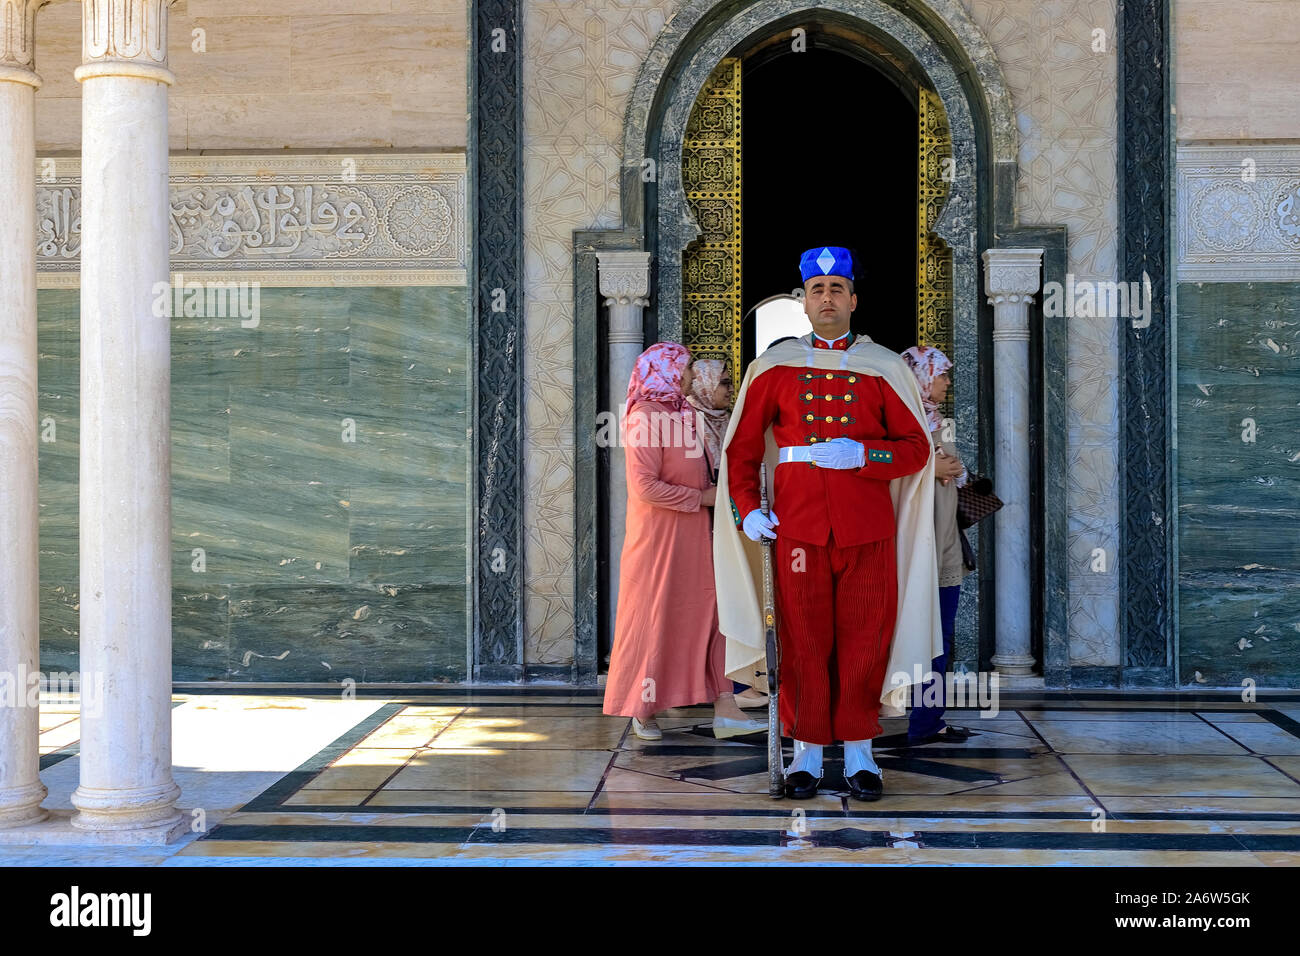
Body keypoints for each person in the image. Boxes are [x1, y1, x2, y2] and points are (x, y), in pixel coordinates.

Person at [713, 246, 942, 801]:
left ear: (854, 299)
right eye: (817, 290)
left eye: (837, 288)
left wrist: (863, 456)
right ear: (804, 302)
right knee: (803, 644)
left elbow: (916, 450)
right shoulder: (773, 367)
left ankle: (862, 755)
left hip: (867, 530)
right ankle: (807, 756)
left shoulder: (884, 367)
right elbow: (741, 451)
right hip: (797, 530)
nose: (828, 298)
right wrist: (748, 511)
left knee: (865, 642)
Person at [603, 343, 766, 741]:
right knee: (653, 617)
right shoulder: (644, 416)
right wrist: (701, 498)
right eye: (686, 369)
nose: (691, 377)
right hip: (659, 539)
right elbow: (645, 488)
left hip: (696, 533)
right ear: (667, 372)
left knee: (710, 614)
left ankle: (726, 707)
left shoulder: (682, 413)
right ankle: (643, 708)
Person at [901, 346, 975, 745]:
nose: (947, 382)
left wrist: (948, 469)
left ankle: (928, 720)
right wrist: (933, 466)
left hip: (944, 547)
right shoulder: (898, 421)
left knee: (940, 636)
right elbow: (885, 471)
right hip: (912, 548)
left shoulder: (938, 422)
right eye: (942, 374)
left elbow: (955, 472)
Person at [686, 359, 768, 711]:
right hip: (697, 528)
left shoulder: (728, 421)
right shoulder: (687, 424)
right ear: (703, 385)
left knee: (732, 601)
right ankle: (704, 684)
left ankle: (736, 682)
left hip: (731, 525)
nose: (729, 390)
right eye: (722, 383)